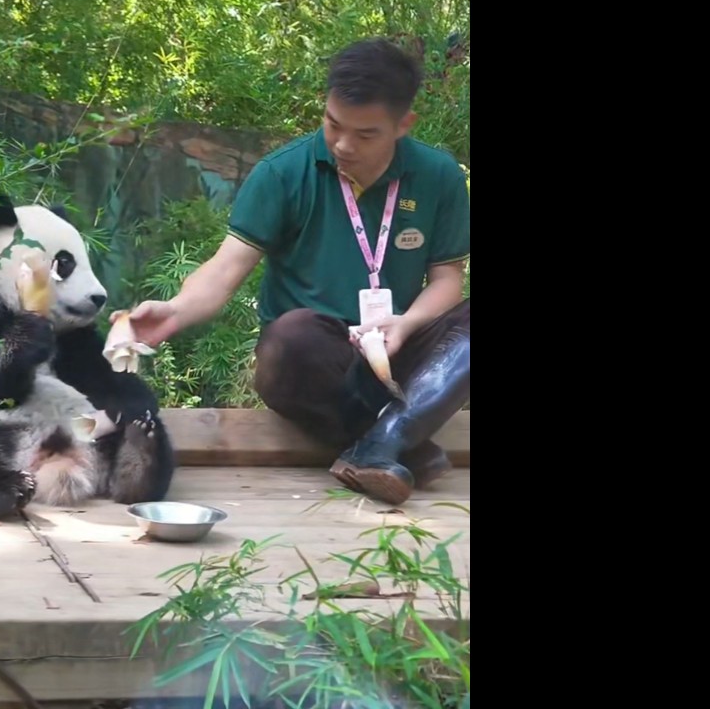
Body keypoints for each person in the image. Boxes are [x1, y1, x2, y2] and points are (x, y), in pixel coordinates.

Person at [127, 37, 470, 506]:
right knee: (291, 337)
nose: (343, 144)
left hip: (401, 352)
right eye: (333, 125)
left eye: (365, 134)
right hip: (315, 362)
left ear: (404, 125)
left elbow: (448, 279)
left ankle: (385, 441)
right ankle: (403, 441)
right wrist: (174, 311)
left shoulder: (439, 176)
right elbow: (226, 268)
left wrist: (406, 324)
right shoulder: (283, 173)